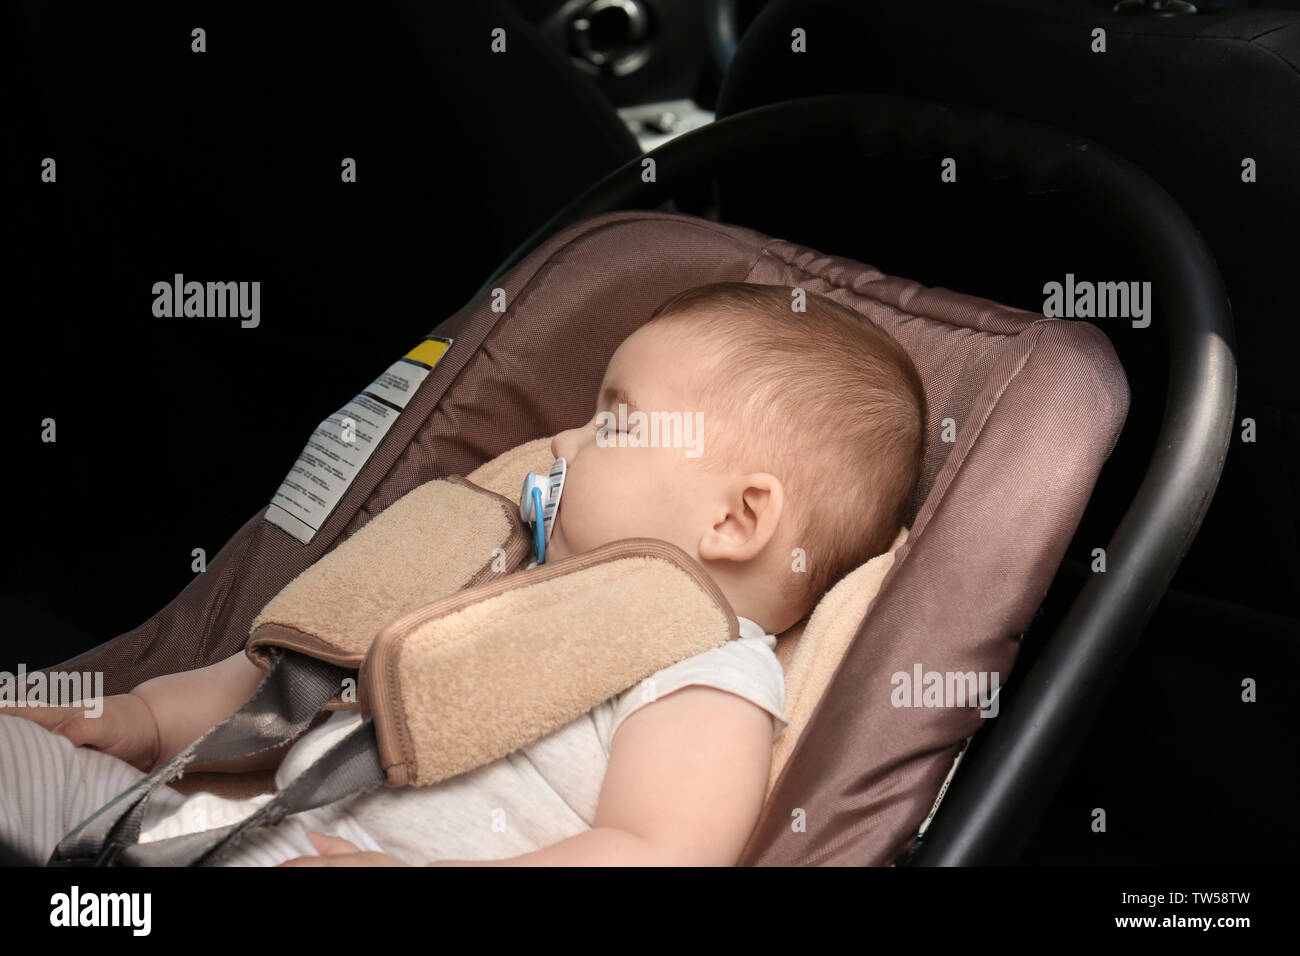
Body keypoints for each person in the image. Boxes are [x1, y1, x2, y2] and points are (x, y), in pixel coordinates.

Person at [0, 281, 925, 867]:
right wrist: (134, 718)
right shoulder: (496, 573)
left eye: (613, 423)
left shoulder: (707, 672)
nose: (564, 443)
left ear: (737, 519)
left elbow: (656, 852)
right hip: (190, 821)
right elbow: (278, 684)